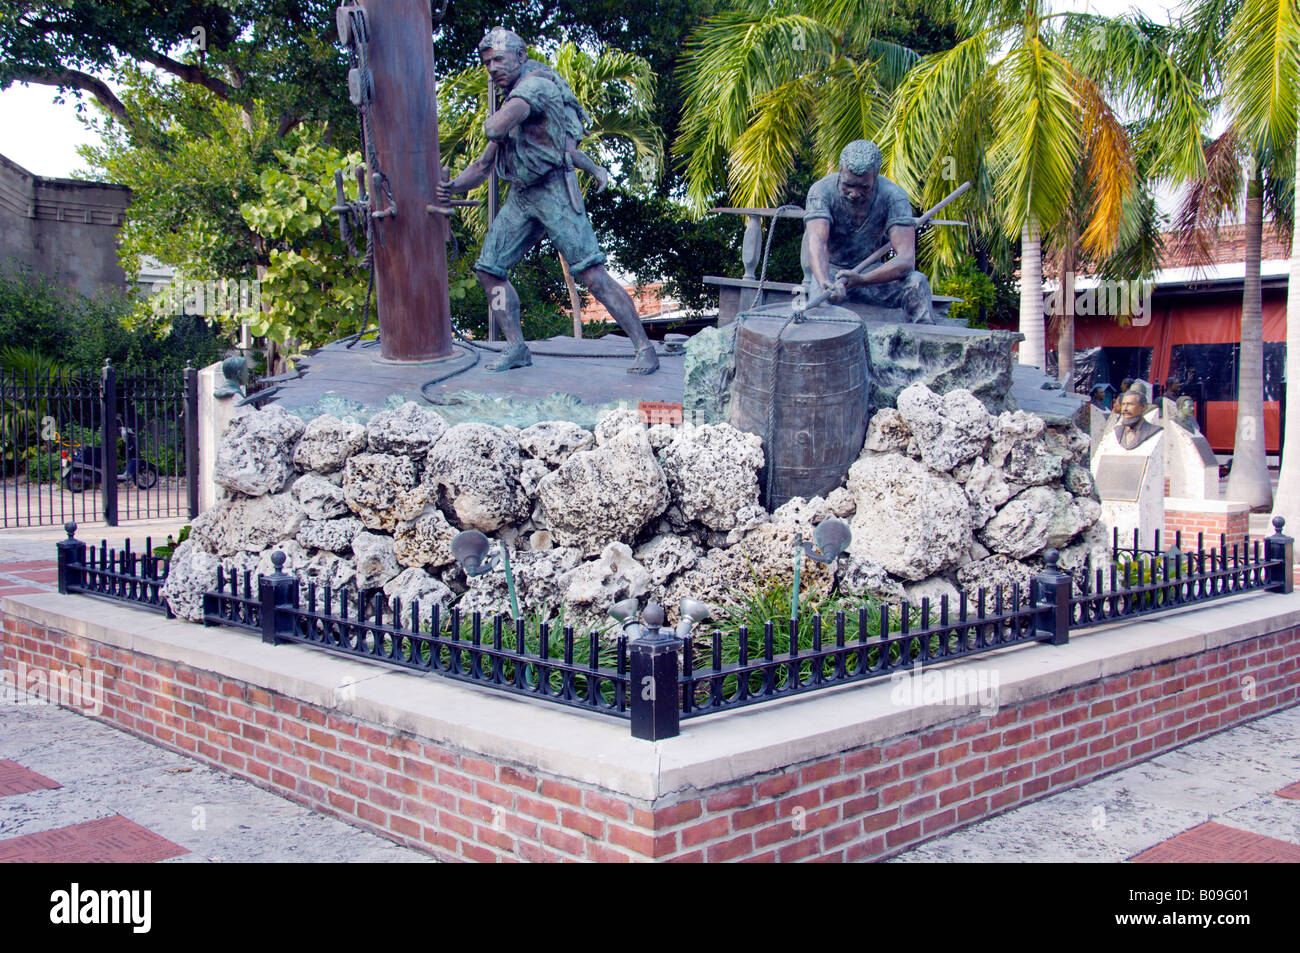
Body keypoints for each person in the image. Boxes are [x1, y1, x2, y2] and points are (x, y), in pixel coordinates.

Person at [434, 28, 658, 374]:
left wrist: (495, 119)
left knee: (593, 276)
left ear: (520, 57)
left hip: (554, 191)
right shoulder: (512, 97)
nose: (491, 69)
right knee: (489, 271)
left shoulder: (532, 89)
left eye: (498, 60)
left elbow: (494, 130)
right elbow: (483, 165)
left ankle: (644, 348)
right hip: (522, 196)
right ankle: (516, 346)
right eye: (486, 63)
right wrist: (452, 187)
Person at [801, 140, 933, 323]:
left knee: (916, 282)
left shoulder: (894, 197)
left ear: (875, 176)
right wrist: (825, 283)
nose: (854, 193)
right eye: (848, 185)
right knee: (820, 311)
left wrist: (862, 279)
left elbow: (906, 260)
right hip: (832, 274)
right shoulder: (821, 192)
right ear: (841, 172)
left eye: (863, 187)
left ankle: (922, 341)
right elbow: (817, 243)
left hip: (872, 276)